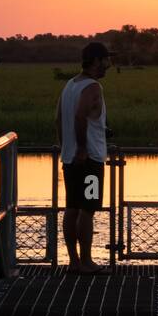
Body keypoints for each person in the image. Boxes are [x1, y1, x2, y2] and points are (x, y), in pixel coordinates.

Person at [56, 41, 115, 274]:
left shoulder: (70, 84)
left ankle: (74, 262)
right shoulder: (92, 87)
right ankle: (87, 262)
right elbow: (80, 116)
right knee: (87, 209)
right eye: (105, 60)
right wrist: (82, 147)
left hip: (70, 159)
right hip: (90, 160)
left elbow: (58, 119)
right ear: (96, 61)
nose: (108, 65)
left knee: (72, 207)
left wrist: (66, 146)